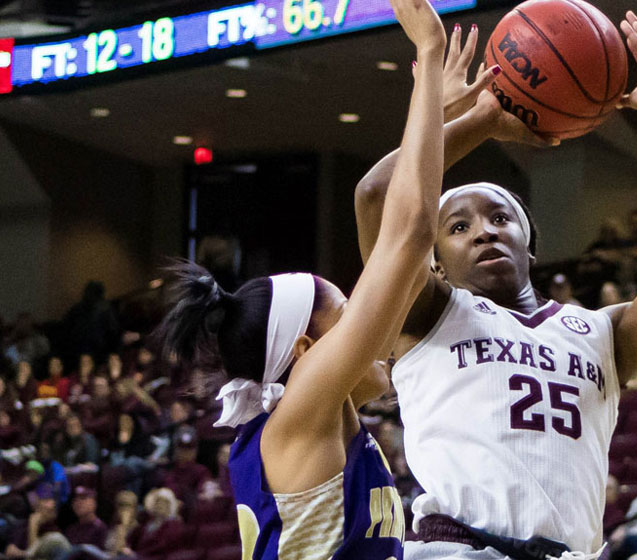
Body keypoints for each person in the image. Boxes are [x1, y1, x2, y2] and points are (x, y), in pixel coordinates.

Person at [354, 10, 637, 559]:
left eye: (501, 217)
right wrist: (482, 121)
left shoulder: (602, 333)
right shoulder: (427, 314)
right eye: (459, 227)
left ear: (530, 245)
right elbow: (376, 195)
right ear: (434, 263)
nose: (484, 231)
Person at [155, 1, 448, 557]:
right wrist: (430, 54)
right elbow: (410, 233)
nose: (366, 317)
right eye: (346, 310)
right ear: (305, 350)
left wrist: (457, 115)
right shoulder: (299, 414)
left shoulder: (303, 421)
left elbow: (409, 266)